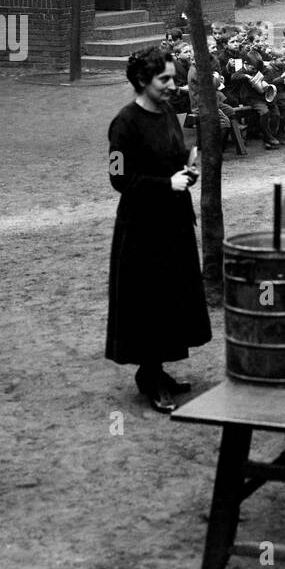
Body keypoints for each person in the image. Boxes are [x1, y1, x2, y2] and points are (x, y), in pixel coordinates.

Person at [106, 48, 212, 414]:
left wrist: (187, 170)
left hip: (174, 220)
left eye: (173, 77)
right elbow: (119, 178)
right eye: (164, 79)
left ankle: (159, 369)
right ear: (141, 81)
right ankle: (148, 376)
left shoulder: (168, 111)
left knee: (171, 296)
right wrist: (165, 184)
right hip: (141, 227)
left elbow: (174, 156)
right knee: (147, 299)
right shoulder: (124, 123)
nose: (172, 85)